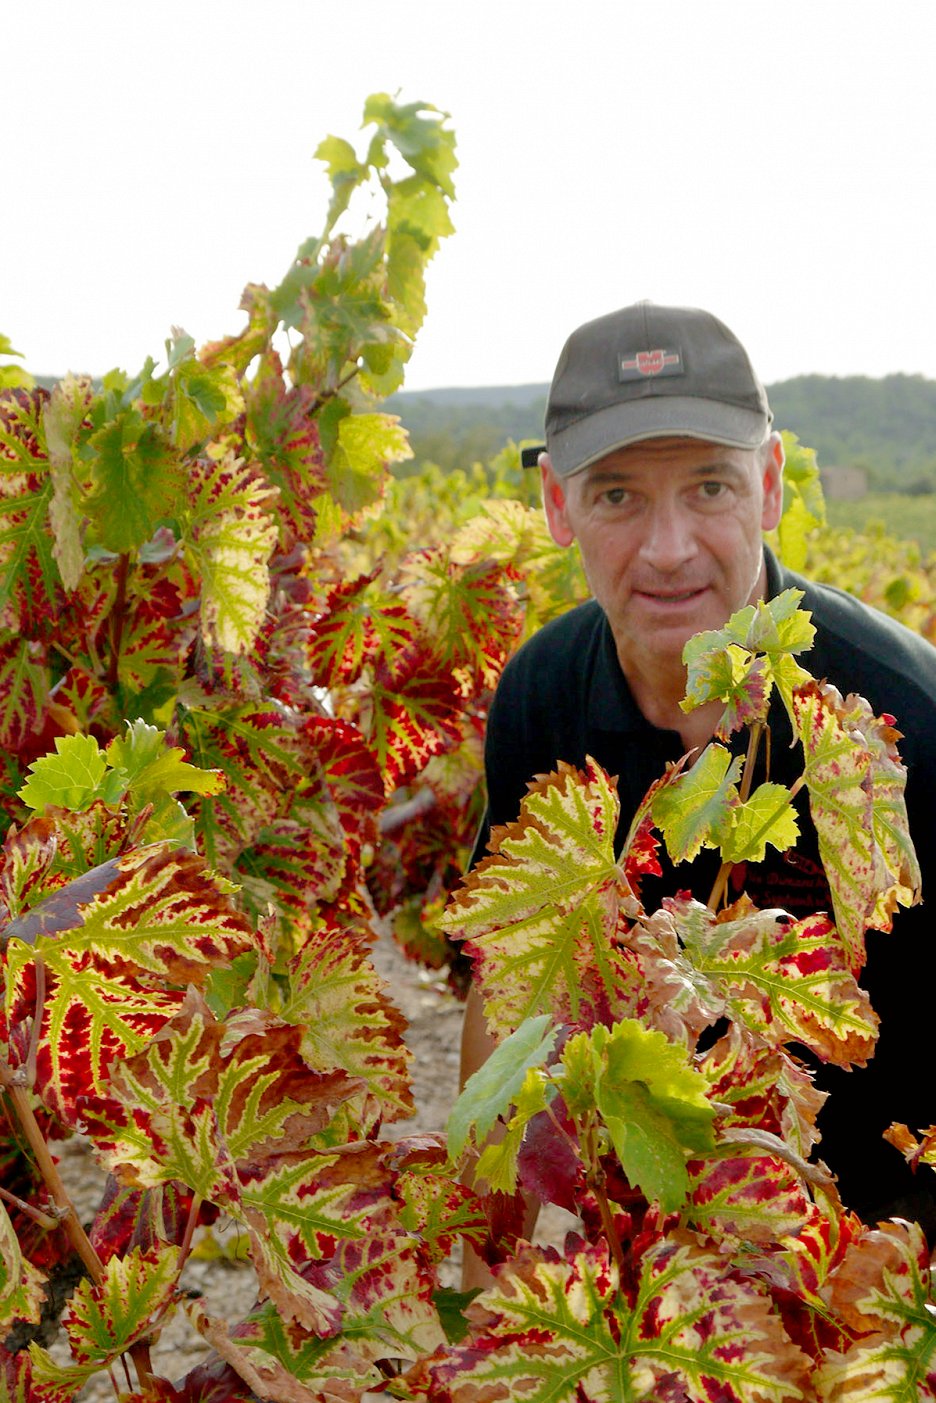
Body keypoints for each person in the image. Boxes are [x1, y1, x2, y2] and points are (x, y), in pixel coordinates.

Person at [460, 302, 936, 1278]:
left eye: (709, 486)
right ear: (558, 505)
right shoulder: (540, 699)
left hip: (890, 1246)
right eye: (619, 496)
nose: (669, 547)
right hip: (659, 1230)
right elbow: (505, 988)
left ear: (766, 487)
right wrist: (488, 1282)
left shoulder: (900, 717)